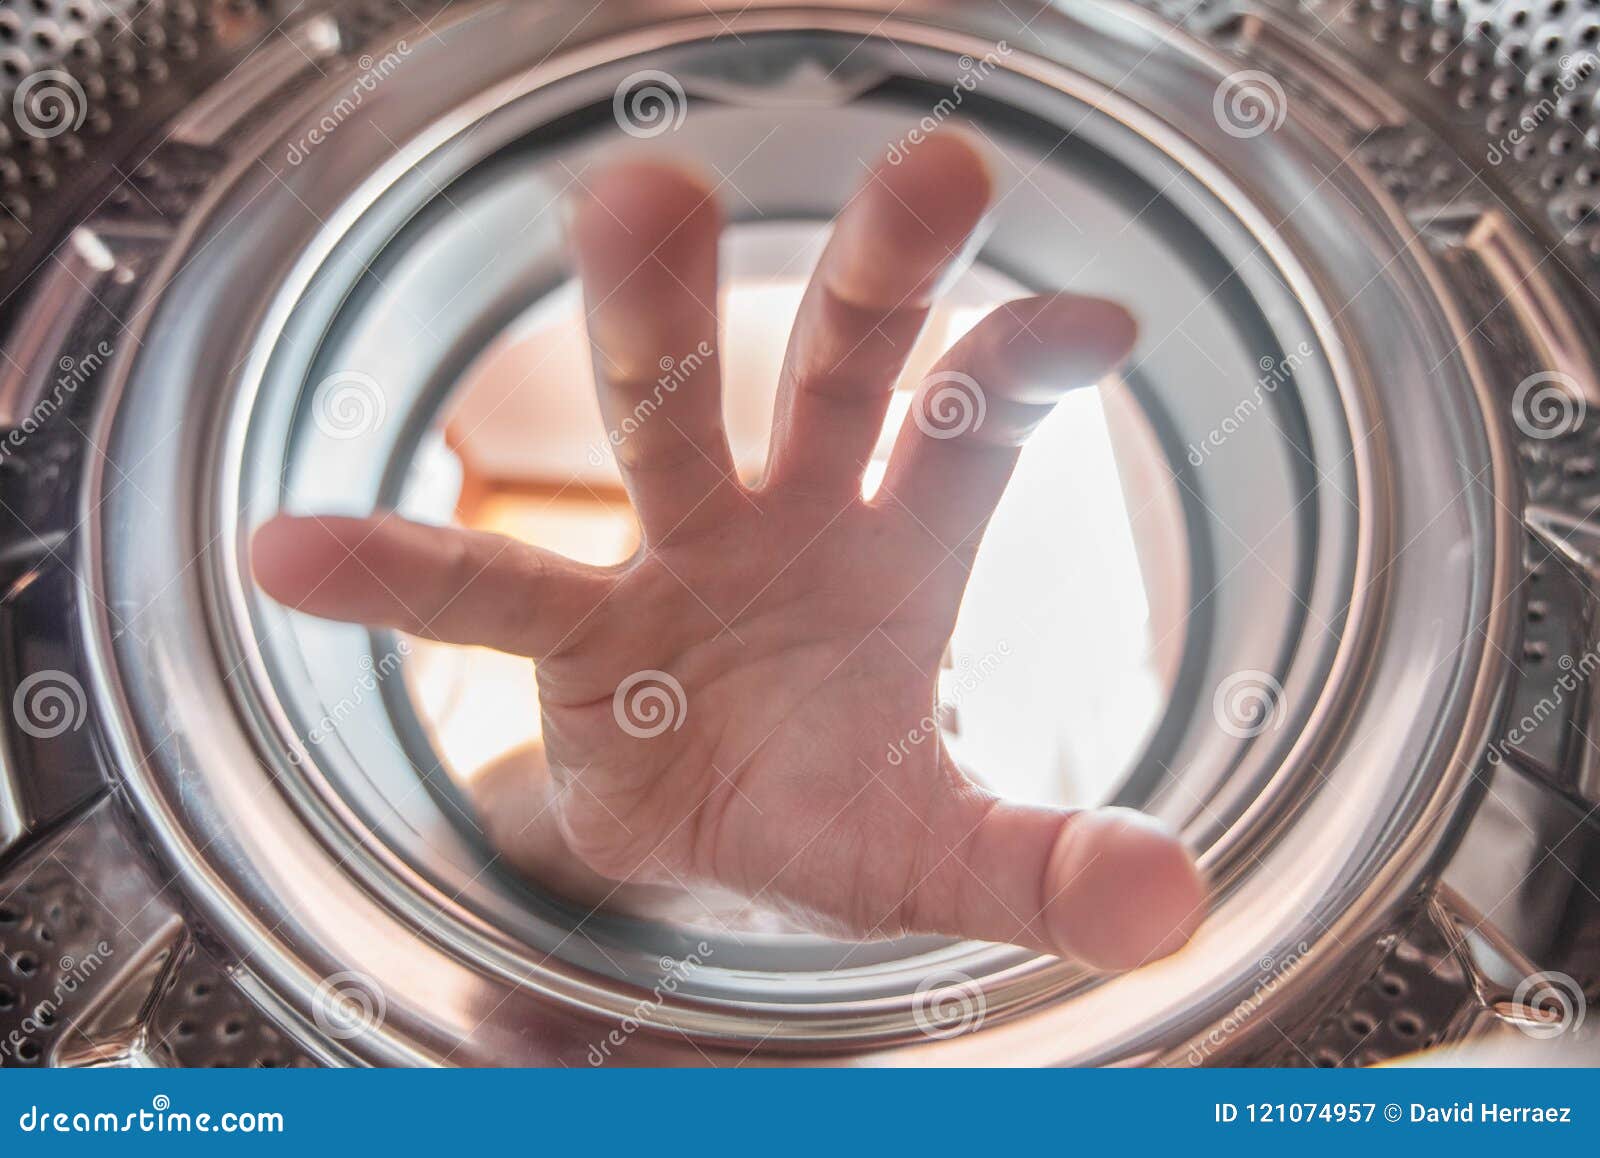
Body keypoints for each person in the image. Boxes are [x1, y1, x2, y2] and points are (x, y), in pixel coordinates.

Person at [250, 129, 1206, 971]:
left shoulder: (991, 803)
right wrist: (617, 843)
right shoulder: (667, 802)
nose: (745, 640)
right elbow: (496, 836)